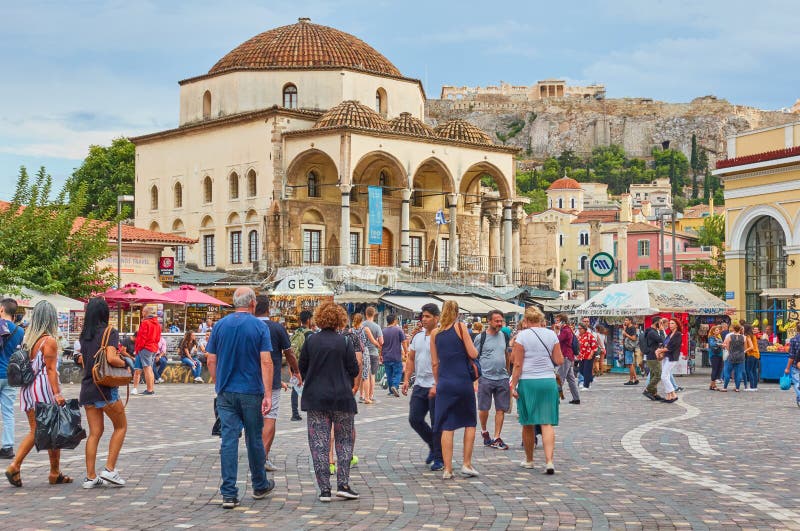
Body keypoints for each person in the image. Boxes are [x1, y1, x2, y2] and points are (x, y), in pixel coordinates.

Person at [206, 287, 275, 509]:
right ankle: (259, 484)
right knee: (254, 438)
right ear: (253, 303)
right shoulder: (259, 326)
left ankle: (228, 493)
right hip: (251, 391)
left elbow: (210, 359)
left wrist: (219, 383)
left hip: (226, 391)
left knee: (228, 439)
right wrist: (267, 393)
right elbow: (266, 361)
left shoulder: (220, 325)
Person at [5, 301, 71, 487]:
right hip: (43, 389)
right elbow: (50, 370)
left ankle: (54, 472)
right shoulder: (49, 341)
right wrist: (57, 393)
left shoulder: (29, 339)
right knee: (40, 431)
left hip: (28, 389)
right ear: (51, 318)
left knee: (48, 431)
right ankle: (15, 466)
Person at [299, 301, 360, 502]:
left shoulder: (310, 341)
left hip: (316, 398)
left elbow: (303, 368)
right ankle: (343, 484)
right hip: (342, 397)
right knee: (344, 441)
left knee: (319, 444)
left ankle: (324, 489)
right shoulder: (345, 342)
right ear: (340, 320)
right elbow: (354, 369)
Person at [78, 297, 128, 488]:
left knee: (95, 433)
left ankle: (90, 477)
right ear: (104, 313)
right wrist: (125, 363)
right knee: (121, 426)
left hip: (88, 388)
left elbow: (85, 361)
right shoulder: (110, 331)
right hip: (105, 388)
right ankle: (109, 469)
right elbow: (111, 358)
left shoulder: (85, 335)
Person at [430, 300, 479, 479]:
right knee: (470, 422)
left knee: (446, 426)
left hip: (444, 382)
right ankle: (466, 464)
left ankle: (447, 469)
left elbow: (435, 363)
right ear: (457, 312)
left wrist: (438, 382)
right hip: (463, 381)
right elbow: (473, 353)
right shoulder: (460, 327)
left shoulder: (435, 333)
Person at [510, 306, 563, 473]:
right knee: (546, 423)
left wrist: (512, 385)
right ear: (541, 320)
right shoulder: (551, 334)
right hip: (547, 380)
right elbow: (559, 360)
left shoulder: (521, 336)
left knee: (528, 423)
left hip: (528, 381)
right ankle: (549, 461)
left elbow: (517, 364)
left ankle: (530, 460)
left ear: (525, 321)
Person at [254, 295, 300, 473]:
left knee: (253, 420)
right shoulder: (277, 328)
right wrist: (296, 371)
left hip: (249, 380)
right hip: (270, 381)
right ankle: (262, 458)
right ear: (269, 308)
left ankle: (254, 454)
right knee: (269, 418)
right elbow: (289, 354)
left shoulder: (249, 326)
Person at [401, 303, 443, 471]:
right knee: (415, 418)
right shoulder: (417, 337)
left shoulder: (441, 336)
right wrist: (406, 379)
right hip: (420, 384)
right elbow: (411, 358)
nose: (423, 319)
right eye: (422, 316)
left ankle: (439, 458)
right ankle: (433, 445)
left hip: (436, 385)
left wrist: (438, 382)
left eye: (427, 316)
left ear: (436, 318)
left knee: (436, 422)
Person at [474, 310, 511, 450]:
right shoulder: (481, 337)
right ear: (489, 321)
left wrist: (508, 373)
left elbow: (506, 354)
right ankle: (484, 430)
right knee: (484, 408)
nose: (500, 323)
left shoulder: (504, 336)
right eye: (497, 321)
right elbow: (474, 356)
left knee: (501, 409)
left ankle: (497, 437)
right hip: (486, 377)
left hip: (502, 377)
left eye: (501, 321)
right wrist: (476, 378)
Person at [0, 299, 23, 459]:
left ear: (2, 309)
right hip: (11, 376)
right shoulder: (20, 331)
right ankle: (7, 447)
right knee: (8, 412)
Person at [289, 310, 314, 420]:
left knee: (295, 387)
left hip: (295, 362)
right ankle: (310, 410)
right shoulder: (309, 334)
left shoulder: (295, 332)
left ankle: (294, 413)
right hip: (306, 364)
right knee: (310, 386)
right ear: (308, 320)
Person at [133, 306, 161, 396]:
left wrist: (138, 348)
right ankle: (151, 388)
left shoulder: (145, 323)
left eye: (143, 312)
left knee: (147, 368)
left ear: (146, 312)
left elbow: (142, 337)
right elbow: (158, 337)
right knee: (150, 368)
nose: (142, 313)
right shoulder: (157, 323)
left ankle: (149, 390)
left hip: (146, 347)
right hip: (153, 347)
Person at [554, 314, 580, 405]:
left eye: (557, 320)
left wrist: (556, 331)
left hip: (565, 356)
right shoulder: (567, 330)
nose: (556, 322)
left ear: (562, 321)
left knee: (560, 378)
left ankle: (556, 398)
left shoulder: (565, 331)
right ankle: (576, 398)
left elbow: (556, 340)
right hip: (569, 356)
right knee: (571, 378)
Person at [655, 318, 682, 403]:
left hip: (672, 357)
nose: (670, 325)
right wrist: (660, 349)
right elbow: (664, 343)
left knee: (663, 376)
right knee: (666, 376)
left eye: (672, 323)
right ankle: (668, 396)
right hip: (666, 357)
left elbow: (672, 347)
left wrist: (660, 350)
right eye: (670, 323)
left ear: (677, 325)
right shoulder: (670, 333)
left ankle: (673, 394)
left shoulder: (678, 334)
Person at [381, 314, 406, 397]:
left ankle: (391, 391)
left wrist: (381, 354)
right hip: (396, 356)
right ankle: (395, 386)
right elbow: (404, 342)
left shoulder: (383, 331)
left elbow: (381, 344)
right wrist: (406, 352)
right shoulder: (398, 330)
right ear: (395, 320)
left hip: (386, 356)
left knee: (389, 374)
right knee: (398, 373)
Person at [362, 306, 383, 403]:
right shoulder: (377, 327)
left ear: (366, 314)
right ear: (374, 314)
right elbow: (381, 341)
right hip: (374, 353)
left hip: (363, 353)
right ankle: (370, 395)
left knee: (364, 375)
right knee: (372, 375)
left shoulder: (361, 325)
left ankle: (362, 395)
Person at [351, 313, 372, 405]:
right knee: (365, 375)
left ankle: (359, 395)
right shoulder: (365, 329)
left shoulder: (351, 330)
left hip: (354, 353)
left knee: (356, 375)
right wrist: (380, 346)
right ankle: (367, 398)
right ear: (362, 320)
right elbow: (373, 341)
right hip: (364, 353)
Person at [641, 319, 664, 401]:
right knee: (658, 375)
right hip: (653, 356)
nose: (661, 324)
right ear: (656, 323)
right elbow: (662, 340)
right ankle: (647, 390)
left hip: (651, 356)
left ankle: (654, 393)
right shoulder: (652, 332)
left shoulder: (650, 331)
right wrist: (661, 331)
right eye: (660, 323)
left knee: (653, 375)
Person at [720, 323, 746, 393]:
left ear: (733, 329)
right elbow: (745, 348)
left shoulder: (730, 337)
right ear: (740, 329)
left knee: (727, 371)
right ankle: (737, 388)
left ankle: (725, 387)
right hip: (740, 356)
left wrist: (731, 351)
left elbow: (727, 347)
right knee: (738, 372)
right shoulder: (743, 337)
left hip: (731, 356)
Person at [577, 323, 598, 391]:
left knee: (586, 370)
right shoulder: (579, 336)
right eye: (578, 328)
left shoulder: (589, 335)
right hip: (581, 356)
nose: (579, 330)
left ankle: (586, 385)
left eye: (580, 328)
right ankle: (590, 378)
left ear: (584, 329)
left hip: (588, 355)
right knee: (581, 370)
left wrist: (591, 355)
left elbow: (594, 346)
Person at [784, 325, 800, 408]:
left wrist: (787, 368)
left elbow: (791, 356)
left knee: (797, 382)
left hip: (796, 364)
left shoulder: (793, 340)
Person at [622, 318, 639, 385]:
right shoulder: (627, 328)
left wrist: (626, 334)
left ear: (630, 321)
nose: (625, 321)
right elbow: (624, 336)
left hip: (630, 348)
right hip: (626, 347)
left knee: (630, 364)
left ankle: (631, 380)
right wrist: (624, 329)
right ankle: (635, 379)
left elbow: (634, 338)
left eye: (626, 320)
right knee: (630, 364)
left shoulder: (632, 328)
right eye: (625, 320)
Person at [744, 324, 760, 392]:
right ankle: (755, 386)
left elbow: (751, 347)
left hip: (751, 354)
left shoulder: (748, 336)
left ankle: (752, 386)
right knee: (754, 370)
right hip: (757, 354)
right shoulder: (753, 336)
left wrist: (744, 351)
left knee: (749, 370)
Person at [708, 326, 724, 391]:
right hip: (714, 355)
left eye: (718, 330)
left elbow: (722, 344)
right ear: (713, 331)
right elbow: (712, 344)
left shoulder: (718, 337)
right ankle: (712, 385)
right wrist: (720, 344)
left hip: (720, 355)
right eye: (716, 330)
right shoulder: (711, 338)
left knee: (718, 369)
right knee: (714, 369)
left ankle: (712, 385)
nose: (718, 331)